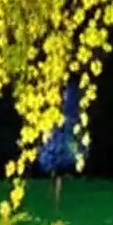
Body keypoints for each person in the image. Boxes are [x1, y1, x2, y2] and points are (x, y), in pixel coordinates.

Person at [37, 82, 86, 211]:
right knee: (58, 166)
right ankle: (55, 200)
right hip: (61, 134)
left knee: (58, 167)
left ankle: (55, 200)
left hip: (61, 134)